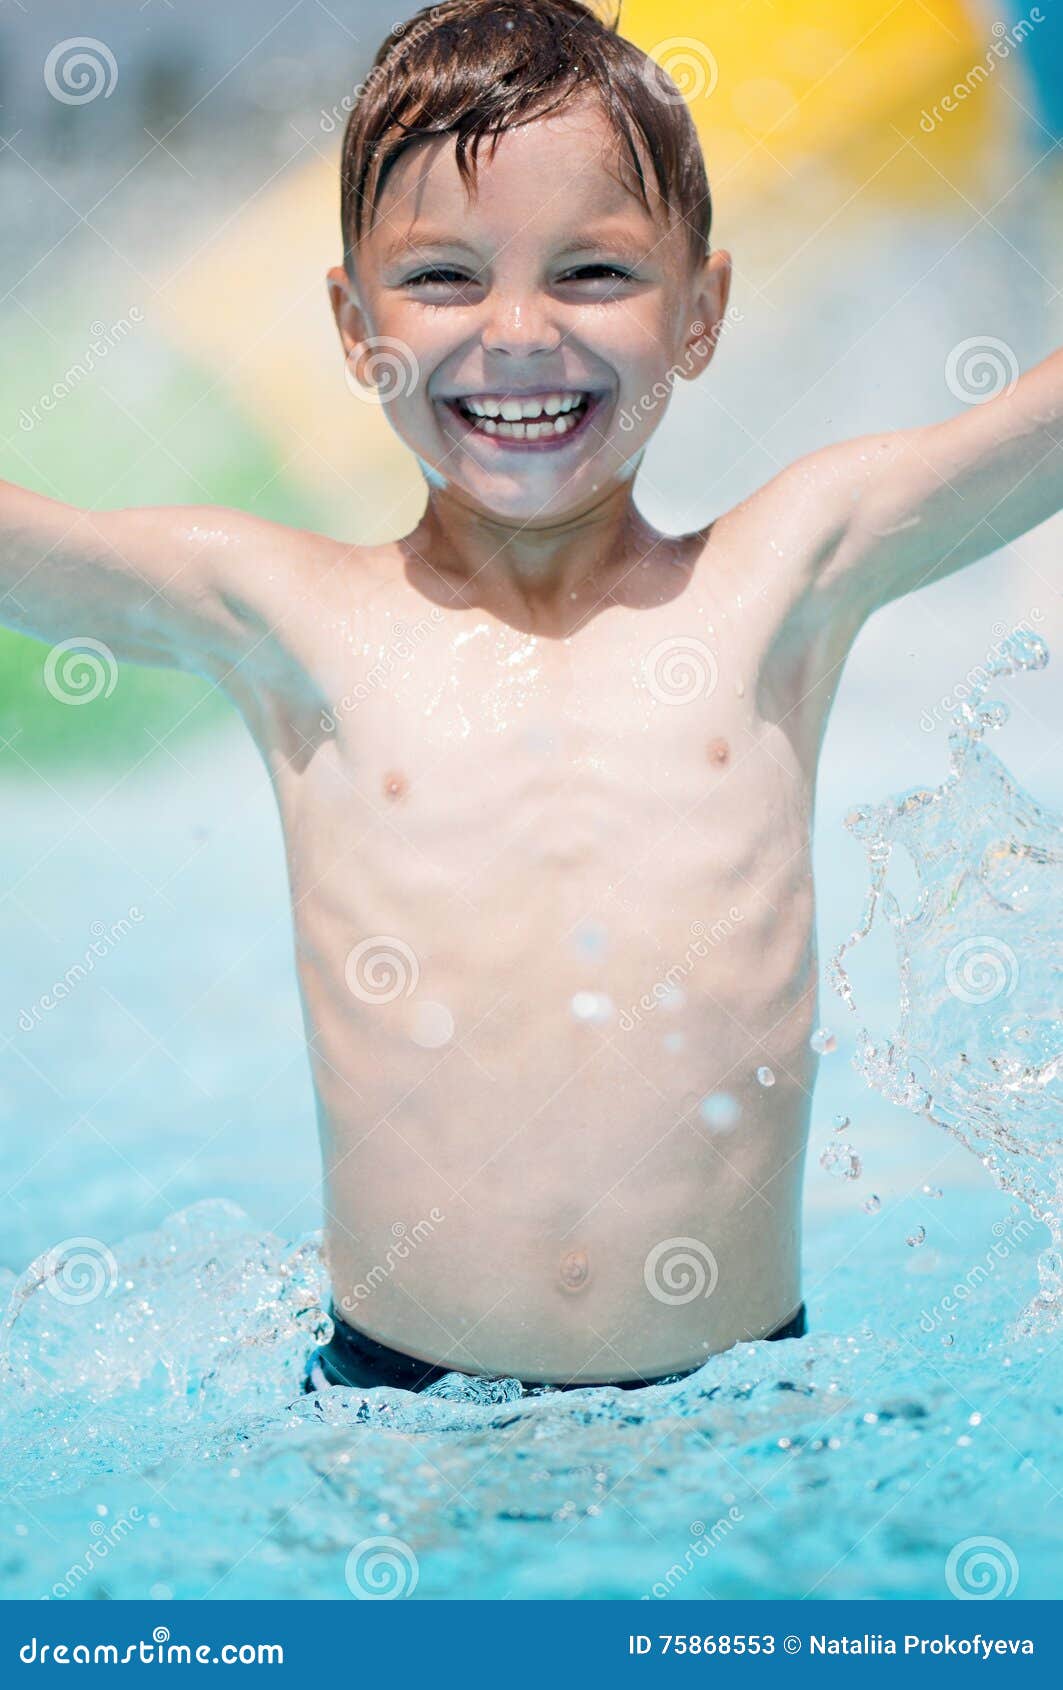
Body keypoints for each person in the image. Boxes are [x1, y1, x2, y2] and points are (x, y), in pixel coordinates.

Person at [2, 0, 1060, 1393]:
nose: (516, 332)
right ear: (349, 318)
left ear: (702, 311)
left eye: (594, 271)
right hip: (401, 1419)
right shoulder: (291, 612)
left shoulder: (779, 578)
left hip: (734, 1413)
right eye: (441, 276)